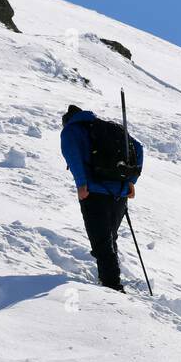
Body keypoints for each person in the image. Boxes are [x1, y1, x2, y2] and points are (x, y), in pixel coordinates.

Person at [59, 105, 142, 291]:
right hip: (120, 193)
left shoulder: (71, 130)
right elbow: (138, 147)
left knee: (101, 241)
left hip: (94, 192)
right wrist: (131, 181)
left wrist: (81, 184)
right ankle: (110, 278)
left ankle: (111, 285)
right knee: (110, 238)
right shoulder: (107, 127)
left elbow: (73, 157)